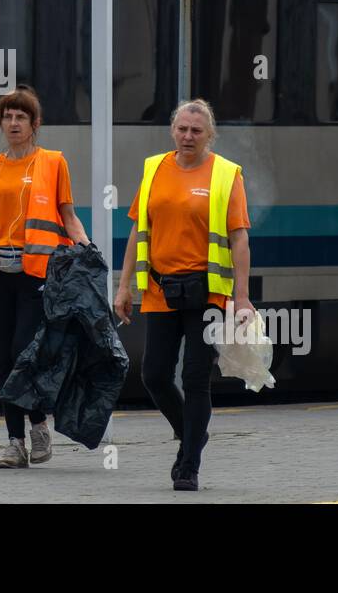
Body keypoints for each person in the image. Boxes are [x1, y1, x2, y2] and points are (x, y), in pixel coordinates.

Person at [0, 85, 90, 469]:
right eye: (7, 117)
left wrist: (87, 254)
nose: (12, 123)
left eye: (20, 117)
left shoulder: (53, 163)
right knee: (2, 356)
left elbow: (68, 215)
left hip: (35, 274)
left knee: (24, 351)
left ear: (34, 124)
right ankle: (14, 441)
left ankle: (39, 421)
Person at [113, 99, 254, 491]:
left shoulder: (227, 175)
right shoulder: (154, 169)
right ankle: (192, 431)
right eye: (182, 128)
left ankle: (189, 463)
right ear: (172, 130)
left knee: (195, 377)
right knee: (154, 374)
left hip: (207, 293)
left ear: (210, 135)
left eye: (196, 130)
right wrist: (123, 286)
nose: (188, 136)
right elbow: (138, 230)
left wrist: (241, 298)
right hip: (160, 289)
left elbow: (239, 238)